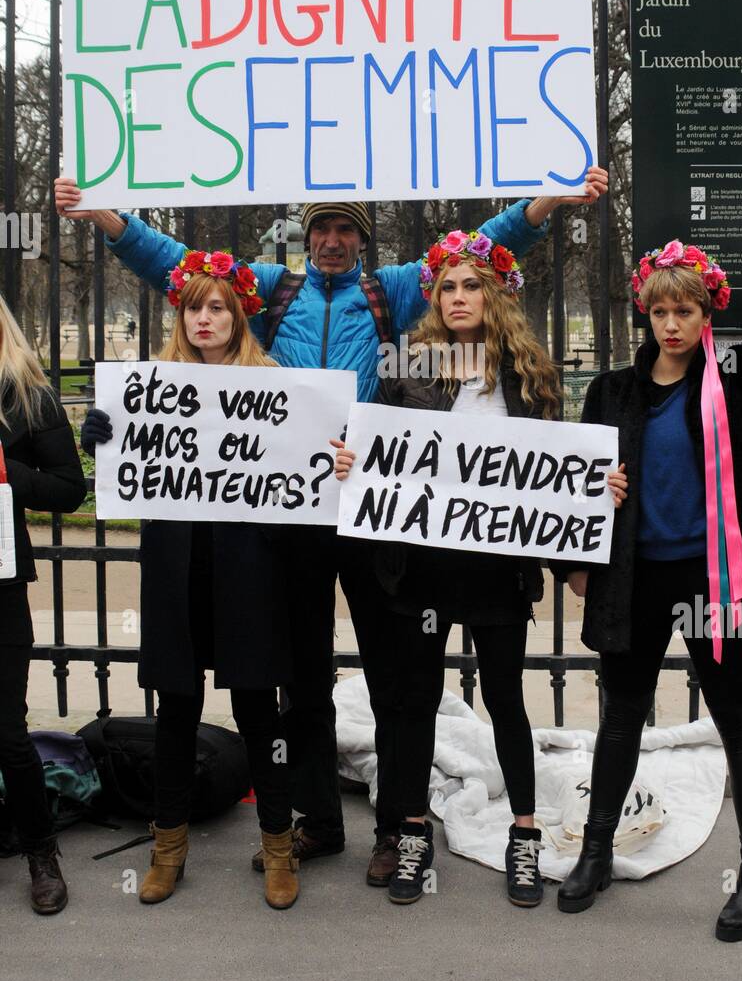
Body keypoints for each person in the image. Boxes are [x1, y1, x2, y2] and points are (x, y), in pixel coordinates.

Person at [55, 172, 609, 887]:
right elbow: (177, 267)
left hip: (371, 506)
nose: (332, 240)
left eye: (346, 229)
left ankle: (396, 829)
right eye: (321, 228)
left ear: (361, 240)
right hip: (288, 514)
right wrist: (106, 217)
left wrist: (547, 204)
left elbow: (480, 248)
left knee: (390, 677)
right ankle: (316, 822)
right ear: (305, 235)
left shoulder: (392, 290)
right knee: (301, 679)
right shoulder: (269, 289)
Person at [558, 242, 742, 939]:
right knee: (621, 715)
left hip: (715, 576)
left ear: (705, 315)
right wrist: (594, 504)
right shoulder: (611, 392)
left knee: (739, 721)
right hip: (635, 575)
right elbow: (573, 480)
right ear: (645, 312)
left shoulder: (738, 384)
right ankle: (596, 851)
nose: (670, 324)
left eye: (684, 311)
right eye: (659, 311)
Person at [332, 229, 627, 907]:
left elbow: (554, 477)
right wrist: (351, 461)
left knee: (504, 700)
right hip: (422, 569)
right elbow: (378, 448)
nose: (458, 297)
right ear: (434, 298)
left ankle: (523, 832)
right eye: (447, 287)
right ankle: (411, 831)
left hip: (498, 568)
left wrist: (595, 492)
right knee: (413, 701)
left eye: (471, 286)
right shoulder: (409, 368)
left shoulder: (528, 375)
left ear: (494, 295)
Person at [81, 252, 298, 910]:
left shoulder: (272, 385)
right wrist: (103, 438)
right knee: (175, 709)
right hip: (176, 567)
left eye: (217, 307)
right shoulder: (152, 385)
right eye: (194, 307)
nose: (204, 318)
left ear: (238, 316)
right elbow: (126, 472)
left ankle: (279, 847)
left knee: (258, 710)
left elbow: (301, 471)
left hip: (247, 567)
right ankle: (167, 847)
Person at [0, 293, 86, 913]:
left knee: (7, 732)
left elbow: (68, 489)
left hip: (1, 581)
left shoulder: (28, 395)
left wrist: (6, 470)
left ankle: (40, 851)